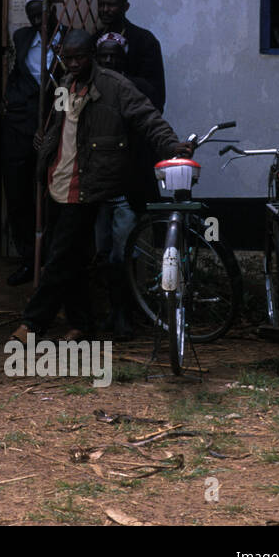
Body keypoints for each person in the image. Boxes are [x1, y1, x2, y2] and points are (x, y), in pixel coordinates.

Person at [11, 30, 188, 343]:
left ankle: (33, 324)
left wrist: (173, 146)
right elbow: (60, 128)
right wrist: (44, 152)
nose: (74, 63)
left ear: (91, 55)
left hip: (87, 186)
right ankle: (82, 324)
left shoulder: (114, 86)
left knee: (59, 258)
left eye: (80, 57)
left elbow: (148, 117)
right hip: (58, 182)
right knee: (72, 258)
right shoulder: (65, 84)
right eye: (68, 58)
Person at [93, 32, 153, 340]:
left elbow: (149, 127)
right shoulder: (90, 89)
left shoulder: (136, 90)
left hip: (126, 189)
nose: (108, 61)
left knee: (124, 254)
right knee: (103, 255)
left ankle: (125, 315)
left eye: (114, 55)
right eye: (103, 55)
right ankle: (112, 312)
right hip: (98, 189)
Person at [1, 0, 62, 284]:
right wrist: (9, 100)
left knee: (53, 197)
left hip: (56, 129)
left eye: (42, 13)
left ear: (53, 10)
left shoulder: (70, 42)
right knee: (17, 193)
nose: (38, 21)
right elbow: (17, 73)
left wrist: (51, 126)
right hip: (18, 127)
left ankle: (51, 262)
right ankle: (28, 260)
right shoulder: (23, 38)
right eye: (32, 16)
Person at [97, 0, 166, 112]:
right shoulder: (94, 39)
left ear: (125, 7)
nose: (105, 9)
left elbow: (155, 93)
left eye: (111, 5)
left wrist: (121, 78)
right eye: (101, 5)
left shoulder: (145, 41)